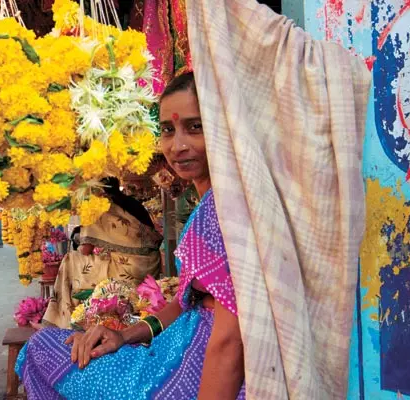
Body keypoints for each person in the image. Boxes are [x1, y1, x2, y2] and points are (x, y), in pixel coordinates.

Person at [19, 72, 245, 399]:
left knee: (43, 348)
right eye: (168, 129)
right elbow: (186, 303)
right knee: (50, 344)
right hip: (175, 350)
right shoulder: (211, 202)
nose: (177, 145)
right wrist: (125, 335)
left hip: (195, 372)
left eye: (195, 127)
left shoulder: (227, 208)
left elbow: (229, 342)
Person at [42, 180, 163, 328]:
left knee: (71, 259)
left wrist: (80, 238)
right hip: (151, 265)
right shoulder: (131, 202)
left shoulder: (97, 207)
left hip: (126, 271)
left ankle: (63, 320)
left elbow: (85, 250)